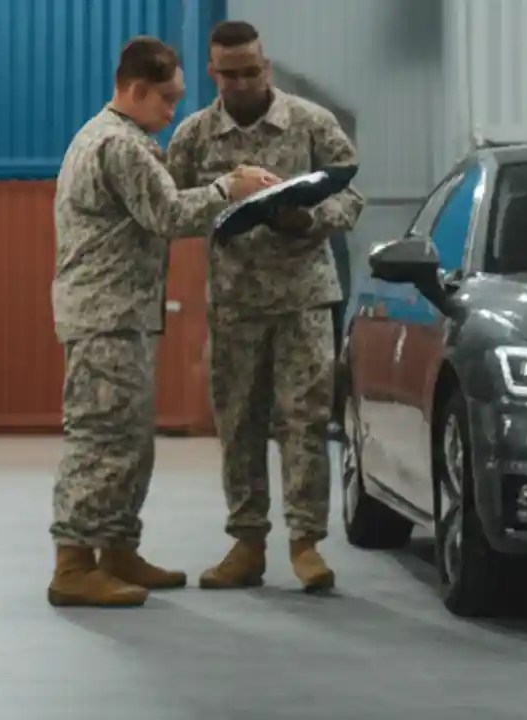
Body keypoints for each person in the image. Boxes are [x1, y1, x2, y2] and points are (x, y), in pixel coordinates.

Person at [47, 35, 279, 608]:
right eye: (167, 100)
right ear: (137, 89)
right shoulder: (120, 145)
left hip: (116, 315)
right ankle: (74, 563)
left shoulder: (104, 137)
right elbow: (169, 214)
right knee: (102, 440)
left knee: (129, 441)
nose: (173, 112)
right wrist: (231, 188)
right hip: (107, 318)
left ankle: (118, 549)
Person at [166, 20, 365, 593]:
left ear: (267, 66)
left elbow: (350, 194)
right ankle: (246, 544)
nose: (242, 82)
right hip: (235, 304)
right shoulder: (196, 136)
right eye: (229, 74)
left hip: (304, 298)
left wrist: (308, 217)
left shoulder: (310, 122)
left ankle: (306, 545)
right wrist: (220, 202)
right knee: (239, 426)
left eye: (251, 70)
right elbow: (171, 205)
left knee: (304, 423)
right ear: (213, 73)